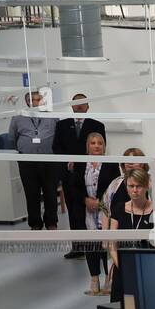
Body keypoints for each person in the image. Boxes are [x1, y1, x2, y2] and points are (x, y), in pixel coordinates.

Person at [52, 92, 107, 259]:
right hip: (70, 176)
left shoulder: (97, 125)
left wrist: (82, 162)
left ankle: (98, 245)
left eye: (83, 103)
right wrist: (68, 161)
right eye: (76, 103)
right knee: (74, 210)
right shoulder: (62, 125)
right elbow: (56, 147)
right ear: (71, 106)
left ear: (88, 106)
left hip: (90, 173)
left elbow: (100, 147)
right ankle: (77, 246)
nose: (79, 105)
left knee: (96, 210)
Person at [65, 132, 119, 296]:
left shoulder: (110, 164)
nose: (96, 146)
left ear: (104, 146)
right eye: (93, 143)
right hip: (86, 211)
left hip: (105, 211)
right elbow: (73, 186)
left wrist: (100, 203)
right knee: (91, 246)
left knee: (107, 245)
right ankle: (94, 279)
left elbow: (116, 186)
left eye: (100, 143)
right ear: (87, 146)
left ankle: (109, 281)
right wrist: (85, 200)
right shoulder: (80, 164)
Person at [9, 90, 59, 231]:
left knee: (50, 192)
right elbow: (12, 137)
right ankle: (35, 223)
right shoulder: (18, 117)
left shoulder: (52, 116)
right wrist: (24, 149)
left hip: (49, 160)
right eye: (35, 100)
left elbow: (58, 136)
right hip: (27, 161)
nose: (38, 102)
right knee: (31, 193)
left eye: (40, 99)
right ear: (28, 102)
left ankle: (51, 222)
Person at [101, 148, 147, 299]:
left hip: (146, 261)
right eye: (128, 161)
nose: (135, 190)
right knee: (124, 307)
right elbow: (106, 210)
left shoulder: (153, 185)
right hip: (121, 254)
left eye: (136, 161)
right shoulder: (115, 185)